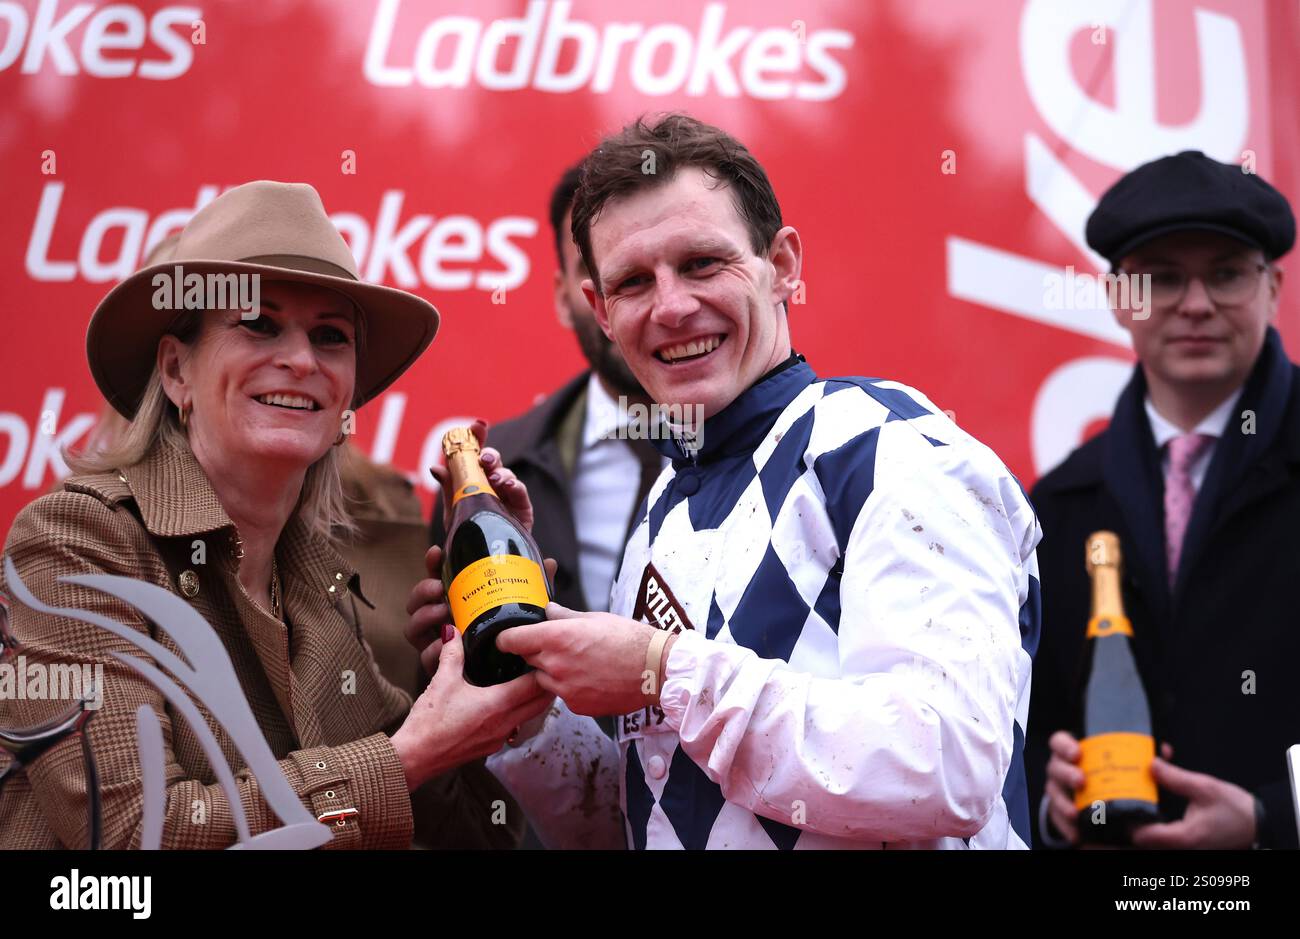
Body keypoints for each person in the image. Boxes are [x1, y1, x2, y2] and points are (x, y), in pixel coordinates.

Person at [409, 114, 1042, 850]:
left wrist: (661, 667)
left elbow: (945, 768)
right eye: (634, 282)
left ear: (783, 265)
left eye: (704, 263)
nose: (672, 307)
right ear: (601, 312)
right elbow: (642, 819)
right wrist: (530, 707)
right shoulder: (661, 509)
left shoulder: (892, 448)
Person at [0, 180, 552, 849]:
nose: (300, 359)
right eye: (257, 324)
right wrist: (408, 755)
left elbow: (475, 835)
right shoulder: (74, 541)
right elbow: (133, 834)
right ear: (177, 370)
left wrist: (481, 658)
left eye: (331, 336)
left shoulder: (314, 578)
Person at [1027, 150, 1300, 850]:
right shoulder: (1058, 505)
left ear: (1272, 288)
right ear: (1120, 299)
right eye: (1163, 278)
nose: (1197, 303)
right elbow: (1023, 733)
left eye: (1227, 274)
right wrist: (1052, 804)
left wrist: (1277, 815)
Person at [428, 164, 662, 617]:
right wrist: (452, 659)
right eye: (603, 272)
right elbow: (448, 677)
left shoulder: (792, 452)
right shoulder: (483, 477)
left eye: (687, 264)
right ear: (565, 296)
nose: (652, 301)